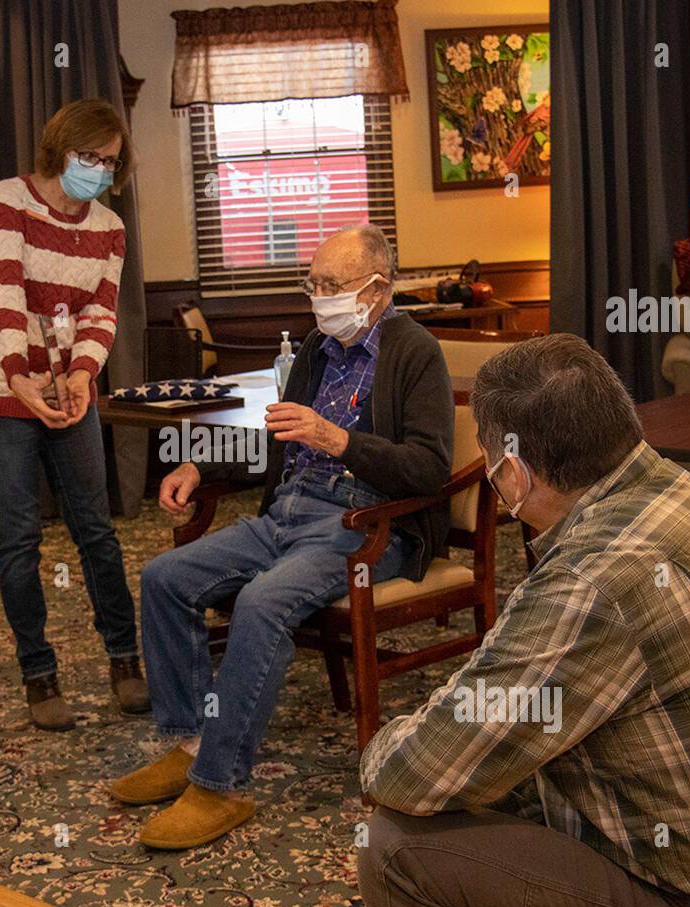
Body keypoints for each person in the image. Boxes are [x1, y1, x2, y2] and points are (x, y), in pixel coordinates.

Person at [357, 333, 690, 907]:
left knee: (396, 850)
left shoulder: (593, 579)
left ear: (511, 474)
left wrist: (383, 743)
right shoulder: (671, 492)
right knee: (498, 782)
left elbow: (416, 772)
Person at [110, 225, 455, 850]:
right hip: (289, 512)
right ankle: (192, 743)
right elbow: (274, 437)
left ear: (376, 289)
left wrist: (338, 440)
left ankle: (220, 784)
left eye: (331, 286)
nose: (318, 298)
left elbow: (430, 468)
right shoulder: (321, 351)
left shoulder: (415, 351)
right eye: (313, 285)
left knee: (262, 601)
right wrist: (200, 466)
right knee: (165, 578)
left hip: (366, 524)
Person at [0, 99, 146, 731]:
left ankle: (125, 659)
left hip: (63, 386)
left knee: (96, 528)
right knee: (20, 537)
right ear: (60, 148)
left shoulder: (109, 227)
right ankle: (39, 672)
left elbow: (100, 312)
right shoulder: (6, 203)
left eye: (110, 162)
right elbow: (5, 299)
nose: (98, 170)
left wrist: (83, 375)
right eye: (90, 156)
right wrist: (19, 379)